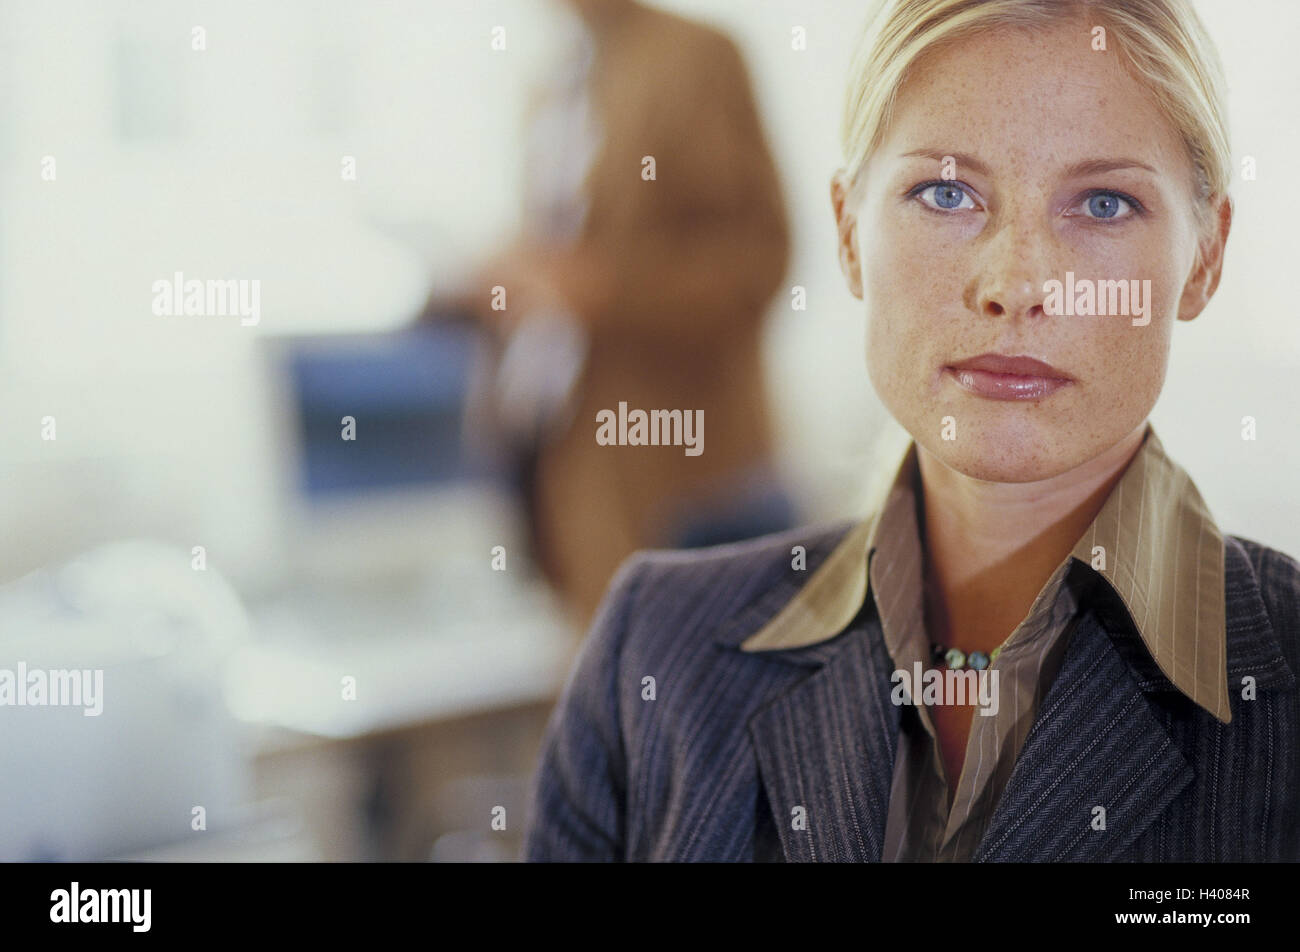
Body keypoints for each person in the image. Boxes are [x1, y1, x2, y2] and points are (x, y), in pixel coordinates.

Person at [522, 0, 1300, 862]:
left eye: (1105, 204)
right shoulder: (649, 655)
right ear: (850, 233)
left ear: (1207, 256)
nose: (1015, 284)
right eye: (946, 193)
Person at [426, 0, 794, 632]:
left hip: (684, 465)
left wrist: (601, 288)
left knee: (701, 702)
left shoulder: (696, 56)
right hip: (567, 469)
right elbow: (562, 252)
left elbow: (757, 260)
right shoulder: (552, 79)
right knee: (611, 699)